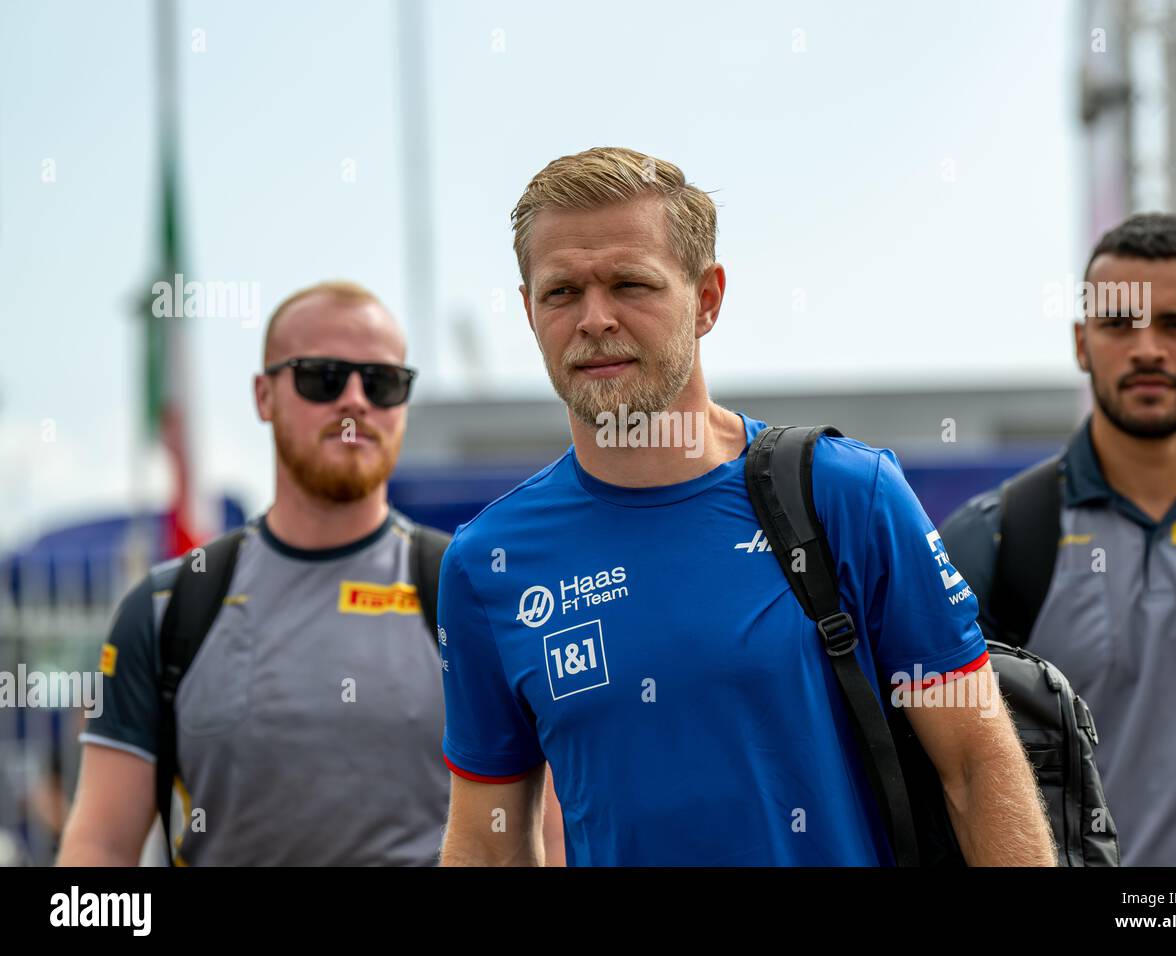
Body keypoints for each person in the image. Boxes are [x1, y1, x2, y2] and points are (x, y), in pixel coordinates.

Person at [437, 147, 1056, 867]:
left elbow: (977, 767)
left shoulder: (847, 495)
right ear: (528, 309)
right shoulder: (488, 564)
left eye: (631, 284)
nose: (594, 319)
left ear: (707, 299)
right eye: (561, 292)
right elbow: (487, 842)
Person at [941, 213, 1176, 866]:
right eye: (1119, 325)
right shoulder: (992, 539)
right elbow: (946, 768)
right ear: (1082, 343)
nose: (1147, 350)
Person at [58, 281, 454, 865]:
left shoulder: (470, 593)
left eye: (382, 382)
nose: (354, 402)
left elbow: (541, 837)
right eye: (321, 376)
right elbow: (99, 849)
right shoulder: (169, 608)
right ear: (263, 396)